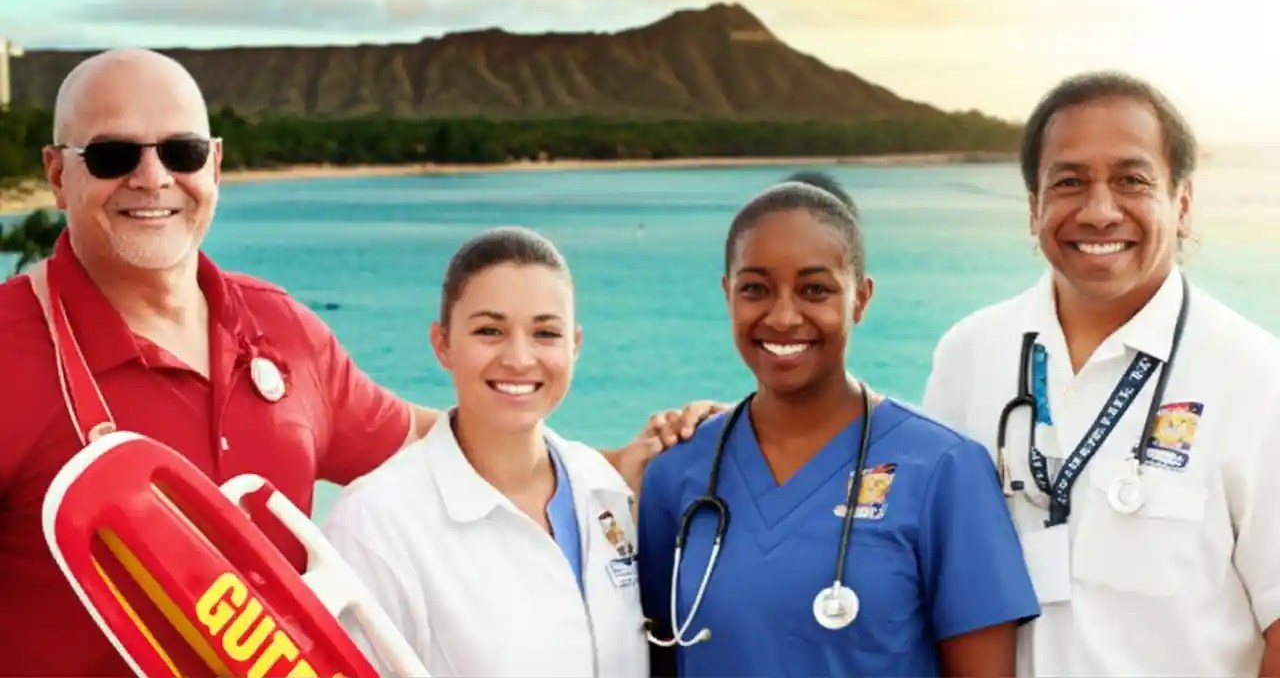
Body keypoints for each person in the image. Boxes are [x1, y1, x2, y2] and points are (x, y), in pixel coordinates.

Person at [0, 48, 711, 676]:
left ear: (213, 165)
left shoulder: (280, 330)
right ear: (57, 174)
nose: (152, 178)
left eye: (180, 152)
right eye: (113, 156)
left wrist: (615, 466)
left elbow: (441, 442)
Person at [921, 71, 1280, 677]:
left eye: (1131, 180)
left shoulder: (1255, 376)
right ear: (1033, 207)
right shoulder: (970, 355)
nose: (1099, 212)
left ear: (1182, 203)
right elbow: (928, 562)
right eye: (1069, 182)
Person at [637, 176, 1040, 677]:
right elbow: (656, 652)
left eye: (815, 290)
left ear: (860, 299)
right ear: (728, 295)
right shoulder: (678, 471)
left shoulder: (944, 469)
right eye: (755, 289)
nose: (783, 317)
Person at [323, 226, 653, 677]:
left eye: (545, 333)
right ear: (442, 344)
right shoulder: (375, 521)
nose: (519, 358)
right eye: (489, 331)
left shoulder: (601, 487)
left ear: (574, 346)